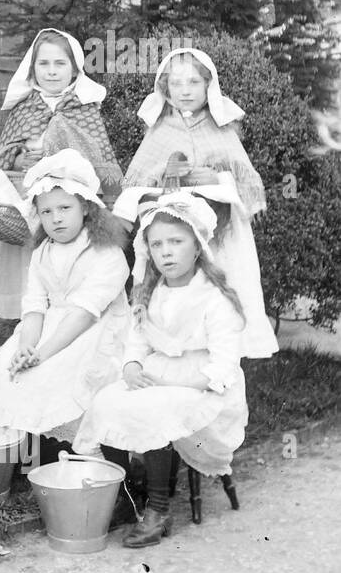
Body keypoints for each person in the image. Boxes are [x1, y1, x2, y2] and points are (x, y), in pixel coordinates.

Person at [74, 192, 248, 547]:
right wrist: (132, 365)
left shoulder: (214, 298)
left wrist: (172, 381)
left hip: (204, 388)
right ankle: (123, 488)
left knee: (156, 409)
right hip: (157, 376)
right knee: (106, 399)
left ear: (197, 247)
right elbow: (137, 342)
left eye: (176, 242)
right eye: (157, 245)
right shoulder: (150, 292)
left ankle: (159, 509)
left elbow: (224, 366)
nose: (166, 251)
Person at [0, 150, 130, 460]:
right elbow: (34, 306)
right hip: (48, 327)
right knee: (6, 370)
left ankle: (80, 452)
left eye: (65, 208)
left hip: (94, 329)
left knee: (59, 371)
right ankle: (30, 451)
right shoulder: (42, 252)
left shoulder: (106, 253)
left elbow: (84, 314)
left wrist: (42, 354)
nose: (56, 218)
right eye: (46, 212)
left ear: (86, 208)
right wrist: (26, 346)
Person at [116, 47, 277, 358]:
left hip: (219, 228)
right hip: (174, 226)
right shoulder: (161, 129)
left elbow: (242, 174)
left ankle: (221, 347)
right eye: (176, 84)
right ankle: (172, 345)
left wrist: (216, 179)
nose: (185, 91)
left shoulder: (220, 127)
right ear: (165, 89)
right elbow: (139, 181)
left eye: (193, 83)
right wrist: (168, 173)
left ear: (208, 87)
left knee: (219, 281)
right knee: (176, 284)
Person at [0, 28, 123, 319]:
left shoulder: (85, 109)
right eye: (44, 64)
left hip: (70, 208)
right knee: (29, 269)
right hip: (30, 208)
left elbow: (101, 160)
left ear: (75, 69)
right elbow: (2, 163)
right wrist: (23, 160)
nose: (51, 72)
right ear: (32, 68)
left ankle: (72, 319)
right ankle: (23, 320)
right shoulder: (23, 109)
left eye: (60, 64)